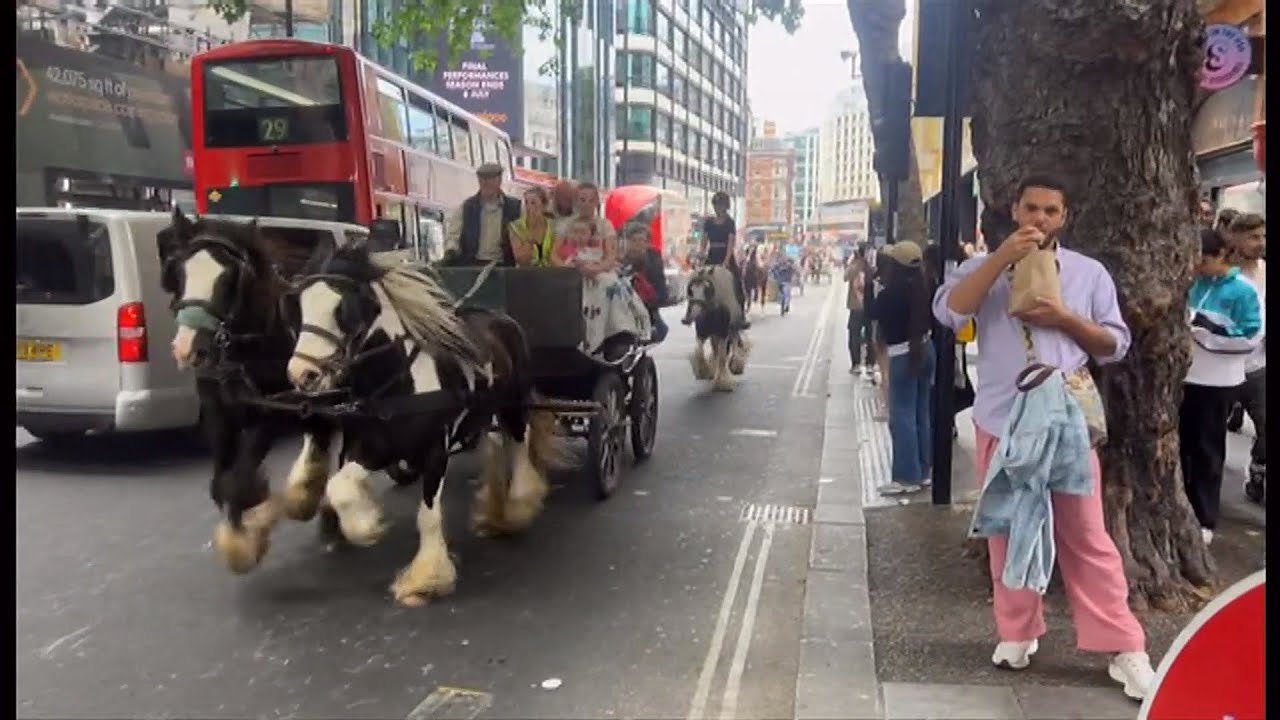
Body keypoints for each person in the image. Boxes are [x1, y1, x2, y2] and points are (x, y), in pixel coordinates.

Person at [932, 174, 1156, 700]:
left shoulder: (1087, 273)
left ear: (1064, 217)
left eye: (1050, 211)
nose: (1039, 219)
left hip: (1066, 420)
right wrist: (998, 260)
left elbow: (1113, 344)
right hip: (1002, 418)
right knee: (1005, 530)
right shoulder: (983, 268)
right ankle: (1016, 631)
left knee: (1086, 534)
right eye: (1031, 208)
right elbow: (949, 312)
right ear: (1015, 210)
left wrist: (1063, 318)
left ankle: (1124, 646)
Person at [1181, 228, 1264, 544]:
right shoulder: (1195, 284)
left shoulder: (1243, 291)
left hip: (1218, 381)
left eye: (1203, 260)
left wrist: (1208, 333)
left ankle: (1205, 517)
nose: (1198, 266)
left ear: (1221, 256)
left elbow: (1251, 336)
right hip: (1187, 377)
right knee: (1183, 447)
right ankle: (1184, 506)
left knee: (1207, 450)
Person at [871, 242, 935, 495]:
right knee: (921, 412)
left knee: (902, 415)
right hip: (926, 349)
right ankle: (923, 471)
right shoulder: (927, 286)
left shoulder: (889, 293)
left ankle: (906, 477)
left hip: (902, 356)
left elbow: (873, 315)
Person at [551, 217, 651, 357]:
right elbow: (563, 264)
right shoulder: (567, 251)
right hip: (575, 284)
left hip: (596, 284)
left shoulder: (597, 252)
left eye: (583, 232)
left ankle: (613, 331)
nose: (579, 236)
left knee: (608, 288)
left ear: (590, 235)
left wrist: (593, 269)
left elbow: (604, 265)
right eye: (575, 232)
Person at [1224, 214, 1266, 502]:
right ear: (1234, 238)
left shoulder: (1265, 271)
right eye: (1253, 237)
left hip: (1256, 367)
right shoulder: (1222, 274)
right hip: (1221, 368)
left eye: (1262, 237)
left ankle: (1258, 470)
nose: (1260, 243)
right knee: (1208, 434)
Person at [443, 163, 522, 266]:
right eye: (483, 180)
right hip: (472, 266)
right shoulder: (467, 207)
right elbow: (453, 235)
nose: (487, 184)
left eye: (491, 180)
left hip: (504, 267)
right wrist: (451, 251)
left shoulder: (515, 207)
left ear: (499, 181)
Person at [701, 192, 749, 329]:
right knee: (699, 281)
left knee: (737, 283)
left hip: (725, 255)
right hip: (711, 255)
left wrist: (726, 261)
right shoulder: (708, 222)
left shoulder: (730, 222)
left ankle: (741, 316)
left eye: (720, 205)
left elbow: (730, 242)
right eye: (716, 205)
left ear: (725, 206)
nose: (718, 208)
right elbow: (704, 241)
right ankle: (694, 312)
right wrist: (701, 255)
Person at [622, 225, 670, 343]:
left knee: (658, 331)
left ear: (647, 243)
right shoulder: (619, 260)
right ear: (626, 242)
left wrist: (649, 300)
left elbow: (662, 291)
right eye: (633, 240)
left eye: (641, 240)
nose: (637, 245)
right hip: (623, 309)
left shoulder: (653, 261)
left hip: (646, 309)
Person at [508, 187, 556, 266]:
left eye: (533, 203)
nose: (529, 206)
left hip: (549, 272)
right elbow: (520, 259)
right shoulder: (516, 226)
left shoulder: (553, 226)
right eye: (526, 202)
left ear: (544, 205)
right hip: (526, 272)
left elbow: (554, 255)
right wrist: (529, 241)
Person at [846, 247, 870, 373]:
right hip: (867, 306)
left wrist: (854, 262)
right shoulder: (870, 265)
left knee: (854, 335)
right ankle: (869, 363)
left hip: (857, 306)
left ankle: (856, 364)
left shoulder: (855, 266)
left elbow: (846, 276)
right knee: (869, 334)